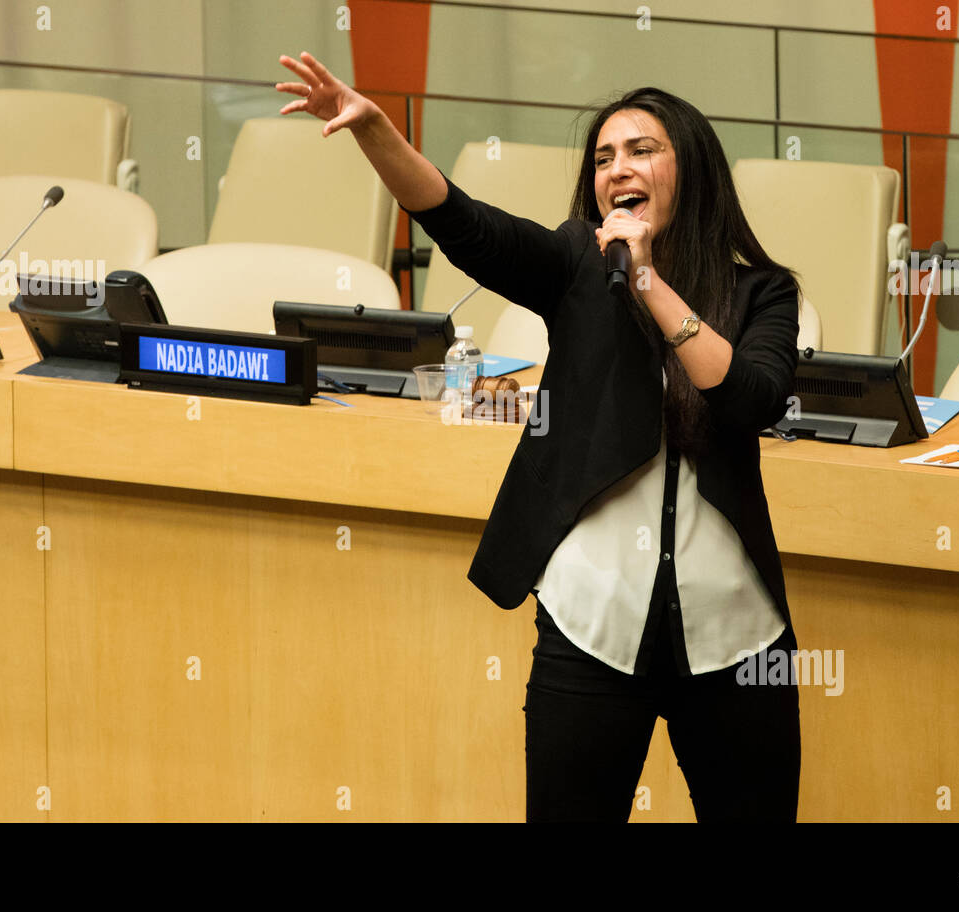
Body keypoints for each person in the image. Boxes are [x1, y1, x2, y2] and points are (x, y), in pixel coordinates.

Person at [277, 52, 802, 823]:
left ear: (691, 171)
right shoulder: (573, 266)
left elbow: (750, 400)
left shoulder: (762, 291)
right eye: (603, 158)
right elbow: (464, 223)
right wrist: (378, 133)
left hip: (737, 636)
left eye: (641, 149)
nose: (617, 168)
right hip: (591, 624)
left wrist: (649, 279)